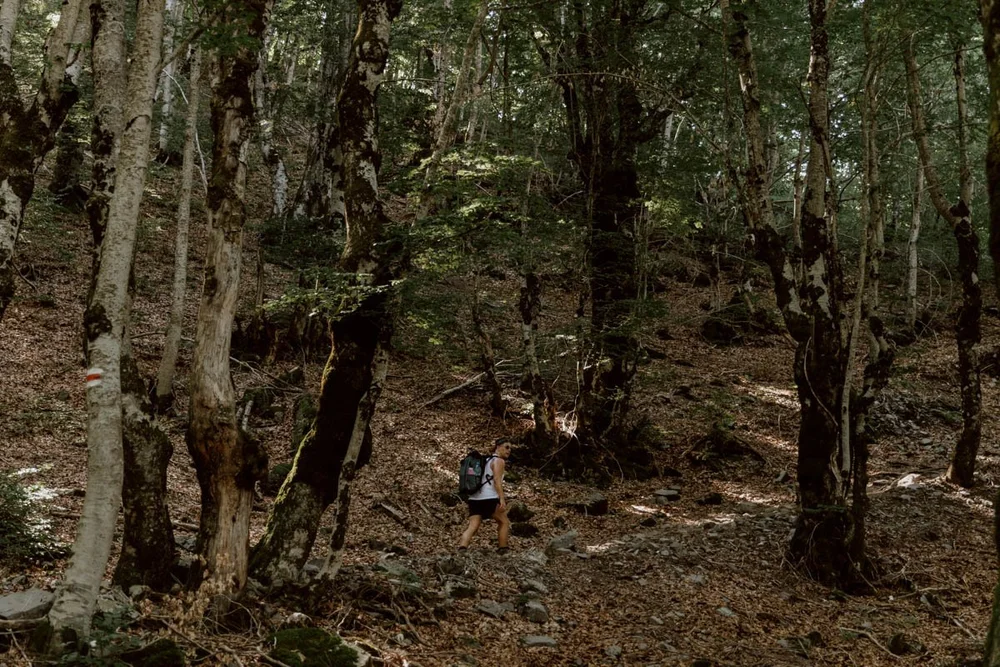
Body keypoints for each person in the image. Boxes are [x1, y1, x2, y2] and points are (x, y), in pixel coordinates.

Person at [458, 438, 512, 553]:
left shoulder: (485, 460)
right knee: (504, 522)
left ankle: (462, 549)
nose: (509, 450)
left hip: (474, 499)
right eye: (506, 447)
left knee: (473, 526)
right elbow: (497, 481)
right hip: (489, 499)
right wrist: (502, 498)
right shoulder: (499, 461)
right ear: (498, 447)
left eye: (510, 448)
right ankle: (503, 549)